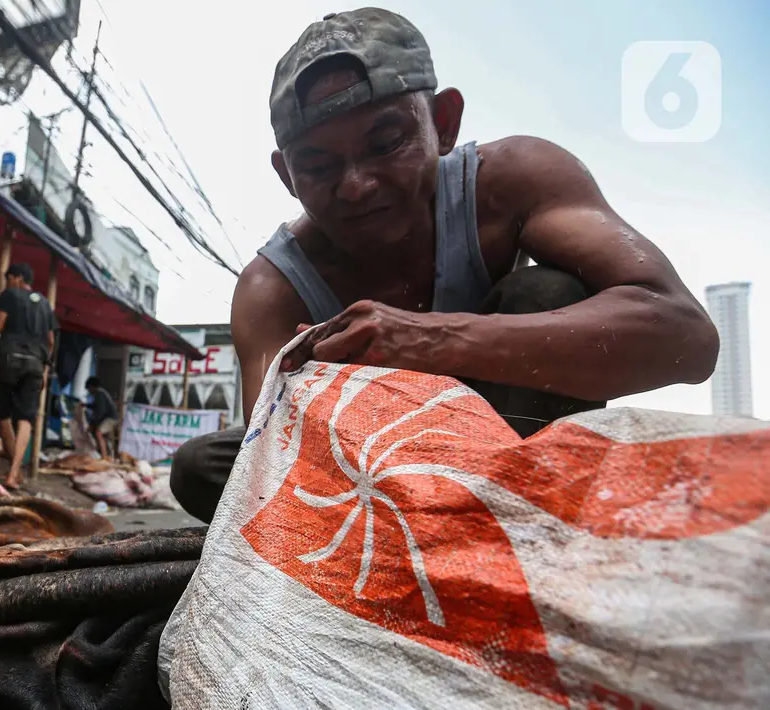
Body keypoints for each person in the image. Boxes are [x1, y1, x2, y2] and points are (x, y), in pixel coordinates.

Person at [169, 8, 719, 524]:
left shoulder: (513, 180)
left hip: (512, 452)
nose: (356, 186)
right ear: (287, 177)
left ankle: (520, 525)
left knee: (547, 292)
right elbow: (265, 462)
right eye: (318, 166)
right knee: (202, 468)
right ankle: (429, 534)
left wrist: (428, 342)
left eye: (387, 142)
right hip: (369, 476)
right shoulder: (272, 287)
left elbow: (686, 336)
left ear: (444, 123)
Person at [0, 262, 58, 489]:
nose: (7, 282)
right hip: (35, 365)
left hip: (10, 358)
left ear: (17, 278)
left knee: (3, 415)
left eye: (8, 277)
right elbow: (50, 341)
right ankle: (14, 474)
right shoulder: (46, 304)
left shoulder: (9, 294)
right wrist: (45, 369)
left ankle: (13, 472)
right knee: (26, 419)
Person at [85, 377, 119, 460]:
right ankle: (104, 454)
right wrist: (86, 405)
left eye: (89, 388)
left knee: (98, 433)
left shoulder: (100, 394)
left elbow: (100, 411)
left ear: (92, 386)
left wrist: (92, 424)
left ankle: (104, 456)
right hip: (107, 418)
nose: (89, 391)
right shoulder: (99, 394)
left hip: (111, 418)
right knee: (100, 433)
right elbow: (96, 407)